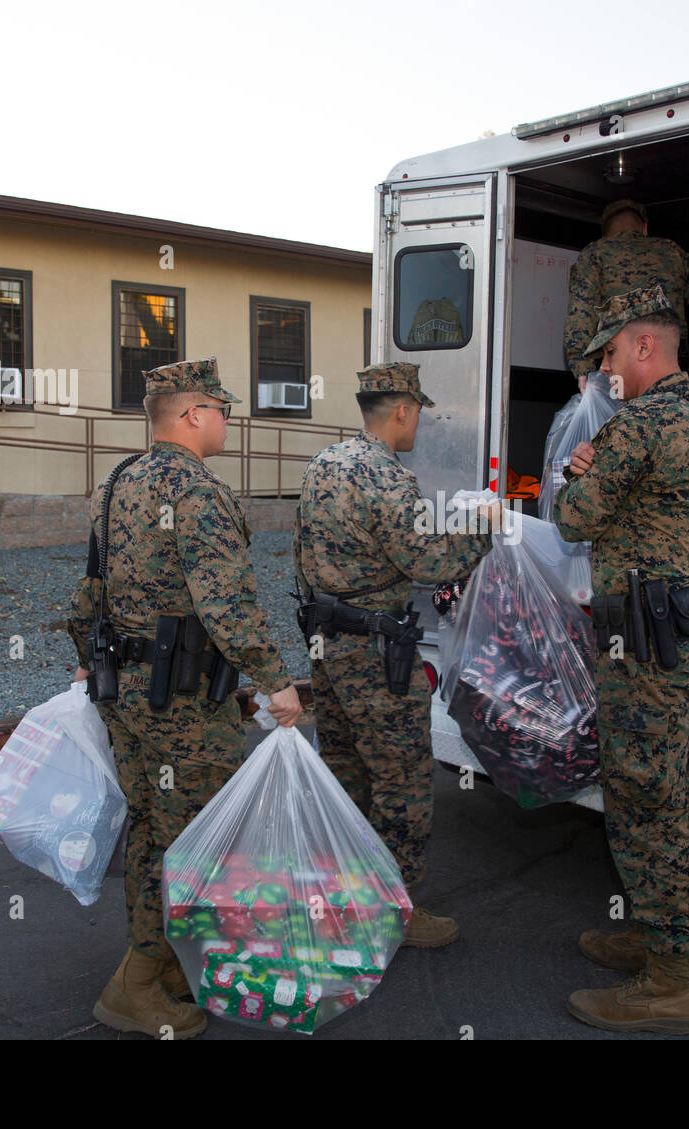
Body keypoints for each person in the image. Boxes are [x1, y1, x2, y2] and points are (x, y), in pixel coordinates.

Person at [67, 356, 301, 1040]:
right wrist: (275, 679)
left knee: (150, 827)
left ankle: (164, 964)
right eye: (221, 409)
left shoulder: (116, 483)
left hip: (129, 696)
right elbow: (227, 601)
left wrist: (88, 664)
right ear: (192, 414)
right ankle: (136, 982)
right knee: (195, 838)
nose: (228, 420)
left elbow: (89, 590)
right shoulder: (196, 491)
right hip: (184, 705)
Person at [552, 284, 689, 1035]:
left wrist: (576, 473)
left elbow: (572, 518)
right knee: (665, 797)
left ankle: (669, 981)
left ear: (644, 345)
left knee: (645, 806)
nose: (605, 370)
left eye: (612, 353)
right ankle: (651, 935)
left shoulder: (646, 420)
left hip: (648, 657)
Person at [293, 362, 500, 948]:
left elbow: (302, 552)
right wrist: (483, 527)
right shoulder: (387, 476)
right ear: (403, 410)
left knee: (345, 775)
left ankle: (341, 901)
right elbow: (429, 562)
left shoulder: (323, 463)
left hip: (326, 641)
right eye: (419, 412)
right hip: (376, 652)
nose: (418, 424)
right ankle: (394, 914)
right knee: (402, 784)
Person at [562, 198, 689, 390]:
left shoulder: (595, 253)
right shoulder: (671, 252)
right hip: (668, 364)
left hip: (621, 368)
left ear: (605, 232)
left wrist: (582, 368)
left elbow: (581, 313)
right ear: (645, 228)